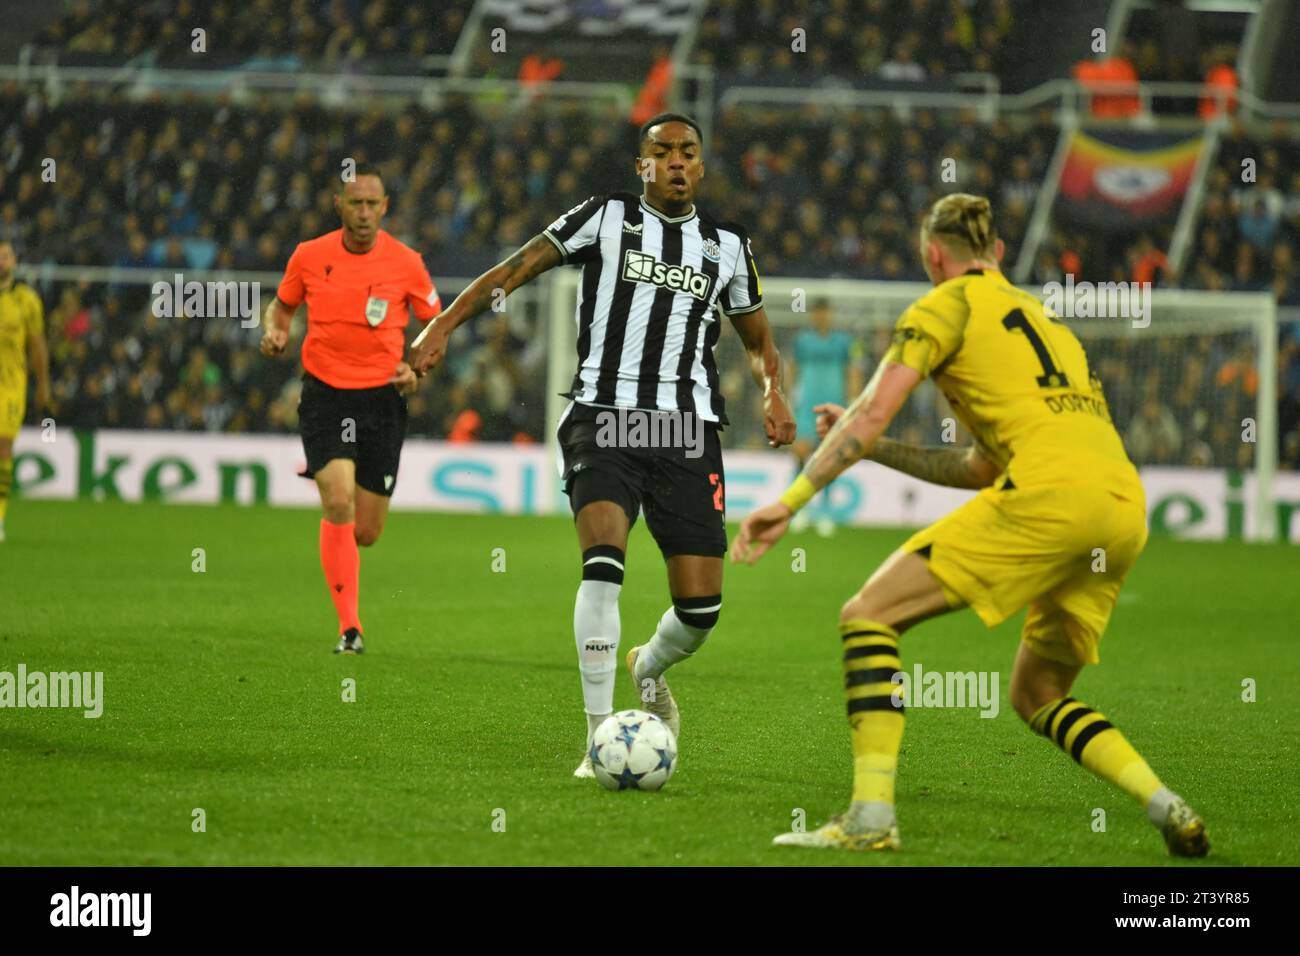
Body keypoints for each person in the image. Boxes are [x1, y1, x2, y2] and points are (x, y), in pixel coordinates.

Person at [732, 193, 1208, 857]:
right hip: (1122, 504)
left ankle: (870, 818)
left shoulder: (942, 305)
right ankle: (1166, 804)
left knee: (868, 615)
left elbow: (871, 411)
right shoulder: (1046, 321)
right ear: (999, 254)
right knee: (1038, 693)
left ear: (932, 254)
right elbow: (979, 468)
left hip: (1049, 497)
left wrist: (792, 499)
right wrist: (875, 449)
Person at [410, 113, 795, 776]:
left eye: (688, 153)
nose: (675, 162)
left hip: (686, 429)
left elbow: (758, 343)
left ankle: (648, 665)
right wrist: (444, 322)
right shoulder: (605, 216)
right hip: (603, 419)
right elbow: (518, 266)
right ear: (641, 165)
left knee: (701, 610)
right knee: (603, 566)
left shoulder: (727, 246)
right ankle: (596, 738)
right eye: (661, 152)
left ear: (702, 167)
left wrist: (771, 390)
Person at [260, 165, 441, 654]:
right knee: (337, 500)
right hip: (325, 393)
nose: (363, 213)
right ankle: (350, 628)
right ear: (337, 205)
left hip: (382, 399)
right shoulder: (308, 256)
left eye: (371, 204)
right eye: (354, 203)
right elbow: (281, 306)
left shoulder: (406, 263)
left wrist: (416, 370)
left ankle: (344, 556)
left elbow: (435, 328)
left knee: (366, 531)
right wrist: (276, 331)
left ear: (385, 208)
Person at [788, 298, 862, 535]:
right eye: (817, 314)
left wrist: (853, 401)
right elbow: (791, 369)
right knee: (801, 453)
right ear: (813, 316)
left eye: (825, 313)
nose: (821, 317)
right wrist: (788, 398)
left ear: (830, 315)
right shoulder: (802, 341)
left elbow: (853, 370)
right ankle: (799, 509)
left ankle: (826, 511)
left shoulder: (844, 342)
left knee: (829, 457)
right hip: (807, 405)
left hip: (834, 405)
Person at [0, 241, 52, 542]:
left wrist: (43, 384)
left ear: (14, 262)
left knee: (3, 445)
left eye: (5, 257)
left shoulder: (26, 300)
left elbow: (37, 345)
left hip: (10, 385)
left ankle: (1, 516)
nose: (1, 262)